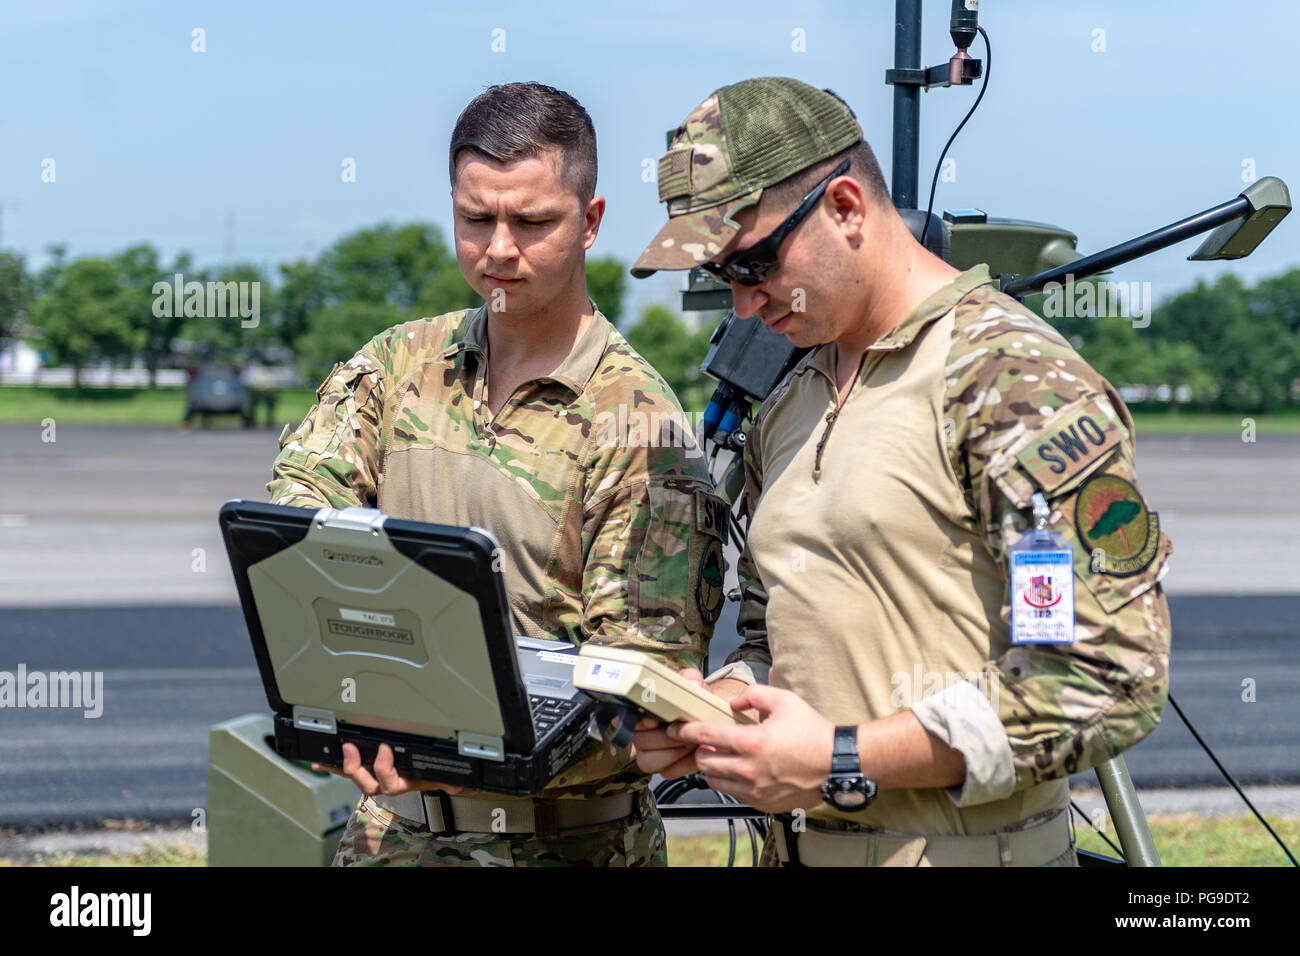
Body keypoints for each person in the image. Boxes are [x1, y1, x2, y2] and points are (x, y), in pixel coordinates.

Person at [628, 76, 1173, 867]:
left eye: (753, 265)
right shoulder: (790, 403)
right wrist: (725, 702)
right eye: (723, 279)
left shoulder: (1009, 381)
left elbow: (1105, 678)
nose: (744, 307)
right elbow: (769, 632)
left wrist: (840, 759)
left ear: (846, 206)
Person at [268, 82, 726, 867]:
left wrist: (440, 728)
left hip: (569, 847)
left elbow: (644, 688)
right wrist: (350, 705)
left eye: (533, 221)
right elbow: (295, 524)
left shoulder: (639, 423)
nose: (500, 248)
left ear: (591, 221)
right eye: (475, 218)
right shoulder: (398, 365)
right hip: (393, 836)